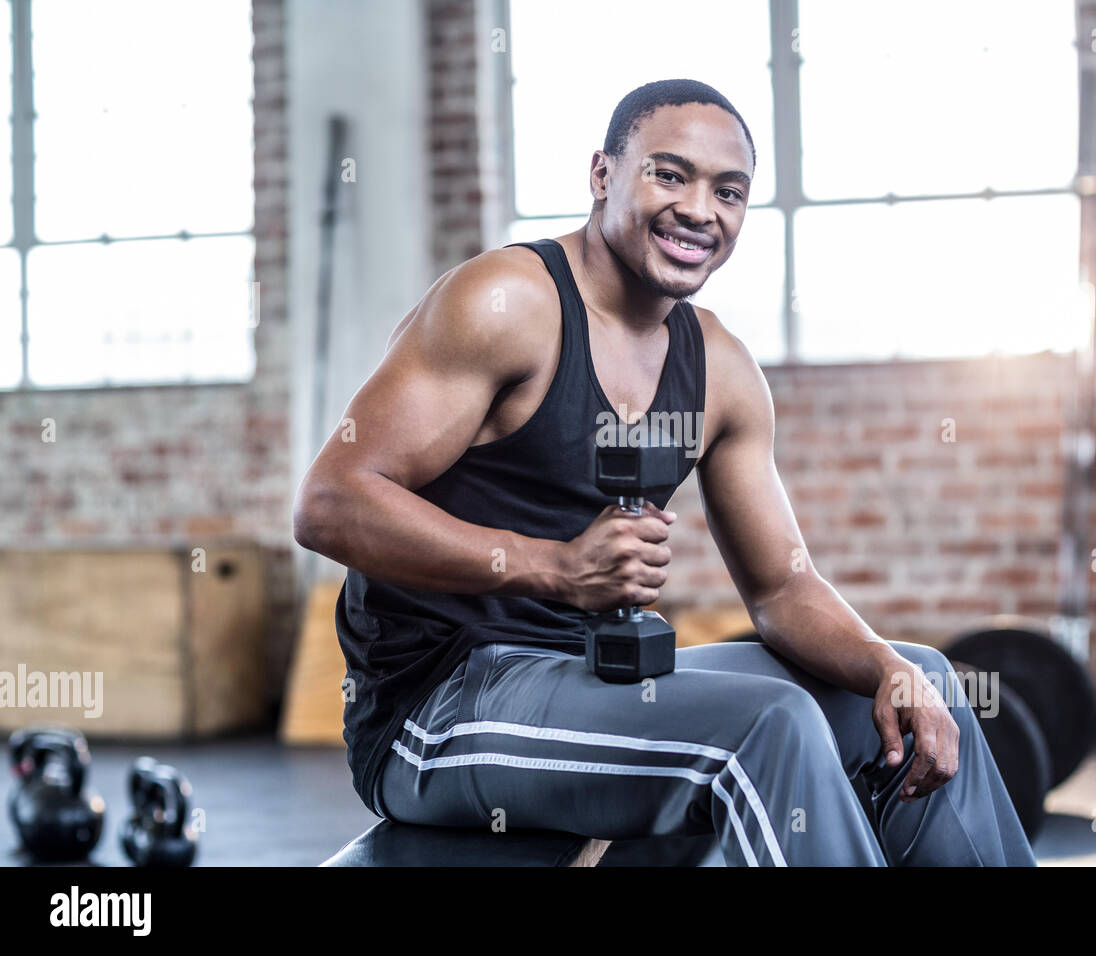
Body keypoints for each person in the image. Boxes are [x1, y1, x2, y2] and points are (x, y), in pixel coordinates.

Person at [293, 78, 1034, 866]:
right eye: (669, 174)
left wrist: (886, 666)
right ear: (603, 176)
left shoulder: (720, 367)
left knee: (917, 677)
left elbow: (782, 590)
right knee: (768, 725)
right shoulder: (507, 304)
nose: (700, 210)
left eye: (730, 191)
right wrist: (556, 568)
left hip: (588, 681)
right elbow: (331, 503)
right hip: (433, 709)